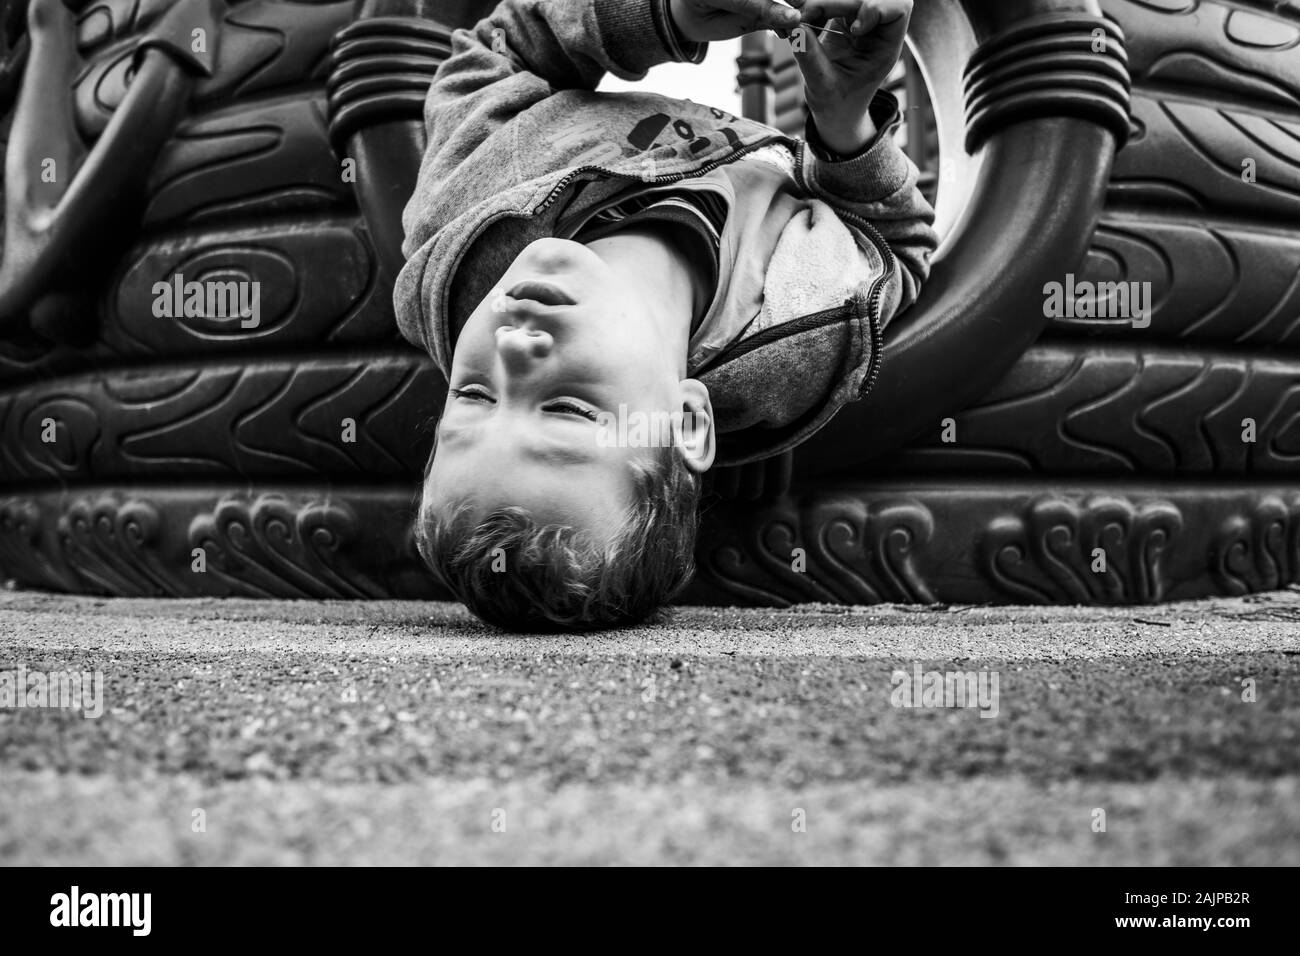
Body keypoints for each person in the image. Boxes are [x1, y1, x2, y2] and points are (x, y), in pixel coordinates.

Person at [396, 0, 937, 630]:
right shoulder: (801, 332)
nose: (514, 352)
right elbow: (896, 250)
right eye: (567, 409)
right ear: (688, 421)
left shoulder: (454, 225)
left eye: (472, 395)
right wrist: (845, 119)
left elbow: (497, 52)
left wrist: (665, 17)